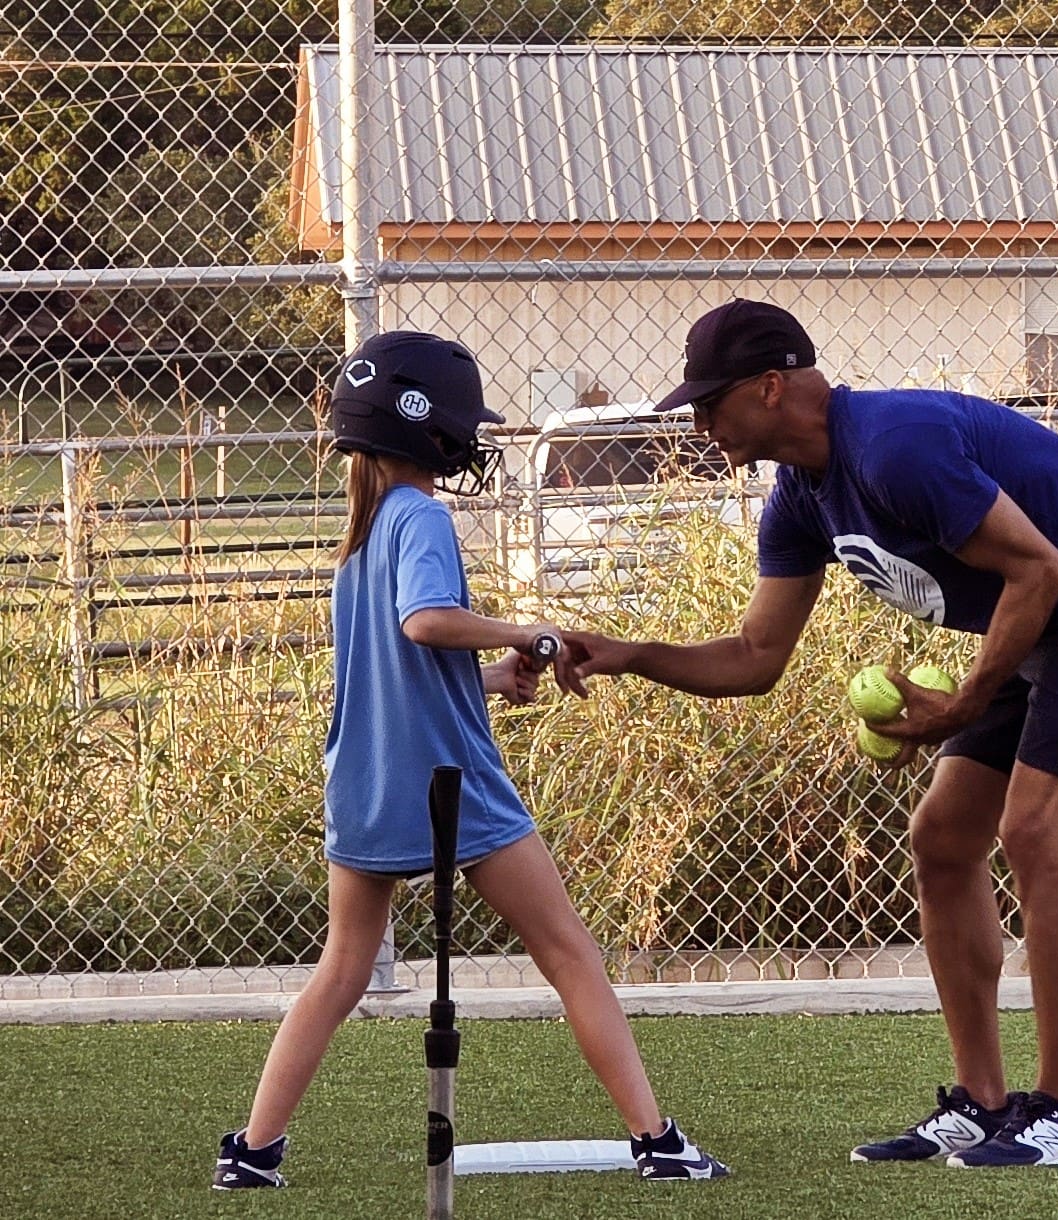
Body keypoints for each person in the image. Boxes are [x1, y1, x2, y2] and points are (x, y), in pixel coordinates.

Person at [565, 300, 1058, 1169]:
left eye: (709, 402)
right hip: (1048, 617)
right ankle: (982, 1103)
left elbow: (1040, 566)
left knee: (1031, 831)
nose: (701, 421)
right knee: (942, 838)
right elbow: (756, 658)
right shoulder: (800, 498)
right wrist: (628, 653)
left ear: (768, 387)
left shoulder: (893, 446)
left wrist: (968, 698)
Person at [212, 331, 728, 1189]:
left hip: (367, 784)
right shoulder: (419, 515)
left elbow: (398, 671)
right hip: (453, 783)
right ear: (425, 427)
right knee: (568, 952)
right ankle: (655, 1140)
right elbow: (424, 622)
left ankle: (254, 1150)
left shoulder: (361, 541)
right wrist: (528, 628)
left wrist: (487, 674)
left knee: (341, 971)